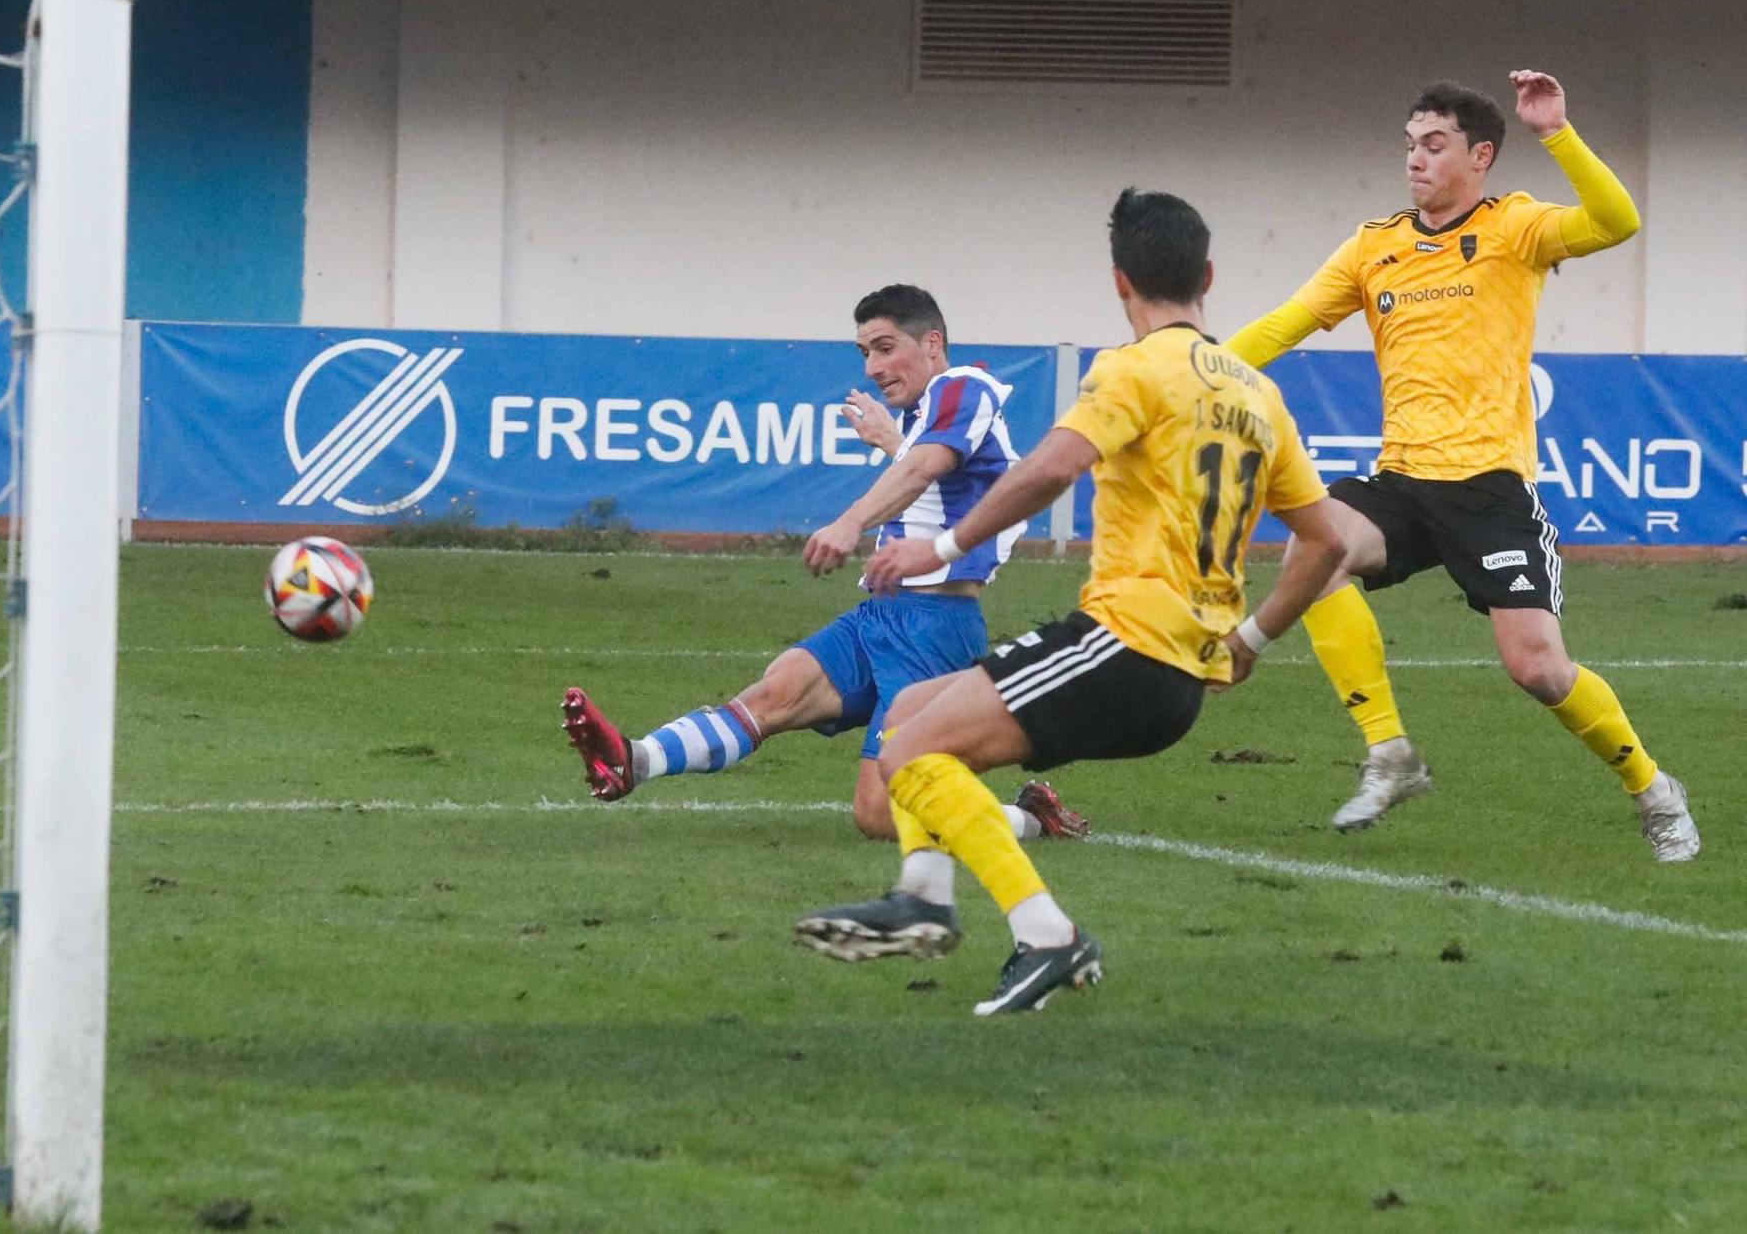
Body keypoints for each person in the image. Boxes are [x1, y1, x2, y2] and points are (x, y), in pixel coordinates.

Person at [796, 190, 1345, 1015]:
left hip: (1125, 644)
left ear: (1121, 282)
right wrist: (1257, 637)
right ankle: (922, 892)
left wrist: (942, 547)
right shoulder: (1258, 395)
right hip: (1180, 672)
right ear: (1209, 275)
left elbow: (1051, 467)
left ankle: (1045, 934)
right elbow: (1327, 539)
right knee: (911, 709)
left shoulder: (1134, 368)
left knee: (908, 753)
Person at [1223, 71, 1698, 862]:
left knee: (1539, 670)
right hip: (1401, 481)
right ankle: (1389, 754)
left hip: (1490, 490)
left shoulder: (1515, 227)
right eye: (1410, 144)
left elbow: (1618, 220)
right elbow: (1284, 324)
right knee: (1321, 546)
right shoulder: (1376, 245)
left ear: (1481, 156)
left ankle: (1653, 788)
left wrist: (1557, 132)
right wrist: (1190, 365)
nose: (1415, 159)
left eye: (1434, 145)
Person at [562, 284, 1088, 844]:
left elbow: (923, 472)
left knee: (879, 817)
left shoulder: (966, 386)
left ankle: (1033, 817)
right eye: (865, 353)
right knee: (776, 692)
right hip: (881, 617)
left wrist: (850, 522)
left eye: (885, 347)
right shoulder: (926, 417)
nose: (873, 367)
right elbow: (946, 479)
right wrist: (895, 441)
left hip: (935, 633)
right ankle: (632, 761)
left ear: (933, 343)